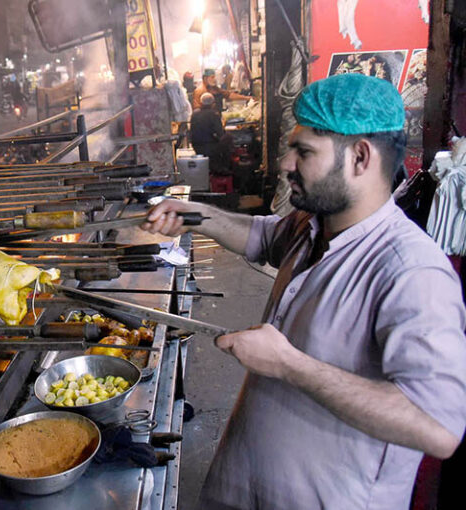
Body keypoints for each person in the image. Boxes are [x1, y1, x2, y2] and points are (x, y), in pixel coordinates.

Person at [142, 74, 466, 509]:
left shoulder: (411, 272)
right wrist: (194, 214)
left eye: (304, 152)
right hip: (246, 484)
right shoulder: (312, 224)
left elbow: (437, 427)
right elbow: (261, 235)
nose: (285, 164)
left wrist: (290, 364)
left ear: (360, 157)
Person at [189, 93, 229, 171]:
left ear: (200, 103)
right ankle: (225, 168)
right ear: (213, 104)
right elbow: (220, 133)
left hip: (196, 146)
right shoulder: (214, 114)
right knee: (228, 139)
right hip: (210, 147)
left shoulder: (194, 114)